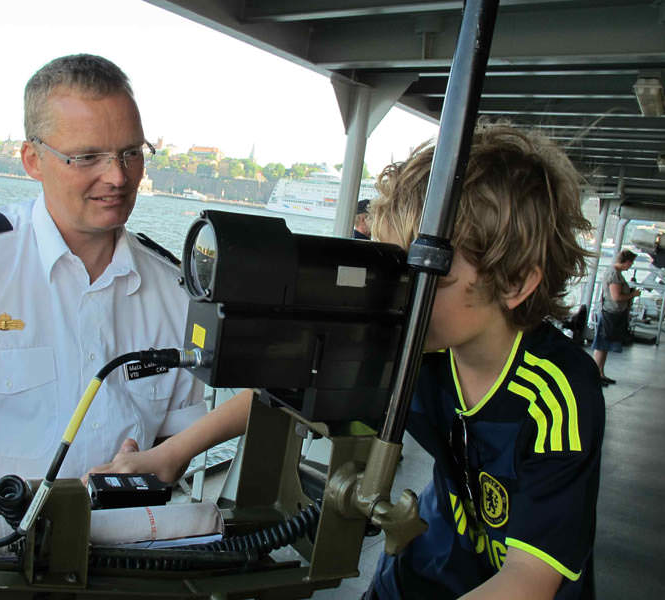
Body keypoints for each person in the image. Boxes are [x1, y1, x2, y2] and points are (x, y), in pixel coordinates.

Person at [91, 124, 605, 600]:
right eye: (401, 267)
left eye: (433, 280)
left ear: (515, 283)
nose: (404, 294)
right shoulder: (420, 344)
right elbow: (283, 386)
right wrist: (170, 455)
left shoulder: (557, 395)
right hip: (423, 568)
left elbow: (529, 578)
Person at [0, 54, 205, 499]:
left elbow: (176, 442)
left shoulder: (174, 291)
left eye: (131, 153)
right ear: (33, 160)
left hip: (119, 538)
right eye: (88, 157)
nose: (118, 177)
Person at [591, 249, 640, 385]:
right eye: (631, 263)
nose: (631, 266)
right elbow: (616, 297)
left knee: (604, 345)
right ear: (627, 262)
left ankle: (600, 373)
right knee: (602, 345)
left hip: (612, 312)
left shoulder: (615, 273)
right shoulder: (614, 275)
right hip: (610, 313)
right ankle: (595, 375)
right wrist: (633, 295)